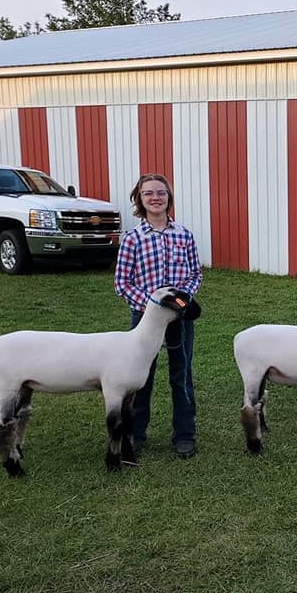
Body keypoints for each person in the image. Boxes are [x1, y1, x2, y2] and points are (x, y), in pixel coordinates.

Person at [114, 173, 203, 458]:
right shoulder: (132, 238)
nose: (155, 198)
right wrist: (155, 305)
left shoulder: (183, 234)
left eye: (161, 193)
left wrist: (181, 301)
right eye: (148, 193)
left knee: (182, 373)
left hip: (179, 318)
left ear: (169, 197)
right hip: (144, 320)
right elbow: (122, 283)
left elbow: (194, 274)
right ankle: (136, 433)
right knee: (142, 376)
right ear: (139, 199)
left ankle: (184, 434)